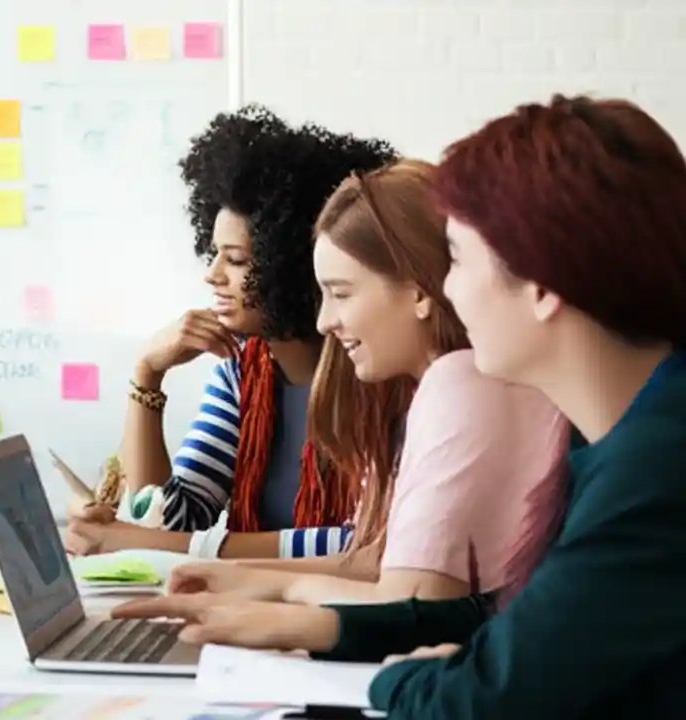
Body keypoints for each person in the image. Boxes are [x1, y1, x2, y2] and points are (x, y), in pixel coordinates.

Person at [117, 95, 686, 718]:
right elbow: (508, 619)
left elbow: (483, 697)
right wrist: (316, 621)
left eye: (457, 260)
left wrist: (403, 678)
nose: (446, 288)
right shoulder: (620, 441)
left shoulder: (655, 472)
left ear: (541, 285)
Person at [120, 159, 570, 608]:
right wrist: (146, 375)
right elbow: (378, 561)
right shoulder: (244, 373)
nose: (325, 321)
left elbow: (396, 586)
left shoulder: (438, 382)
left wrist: (216, 566)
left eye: (340, 293)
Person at [64, 105, 396, 560]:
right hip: (252, 598)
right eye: (215, 253)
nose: (213, 274)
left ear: (293, 267)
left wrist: (155, 541)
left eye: (236, 260)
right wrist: (147, 375)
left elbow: (362, 541)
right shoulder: (241, 376)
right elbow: (168, 519)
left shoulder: (378, 377)